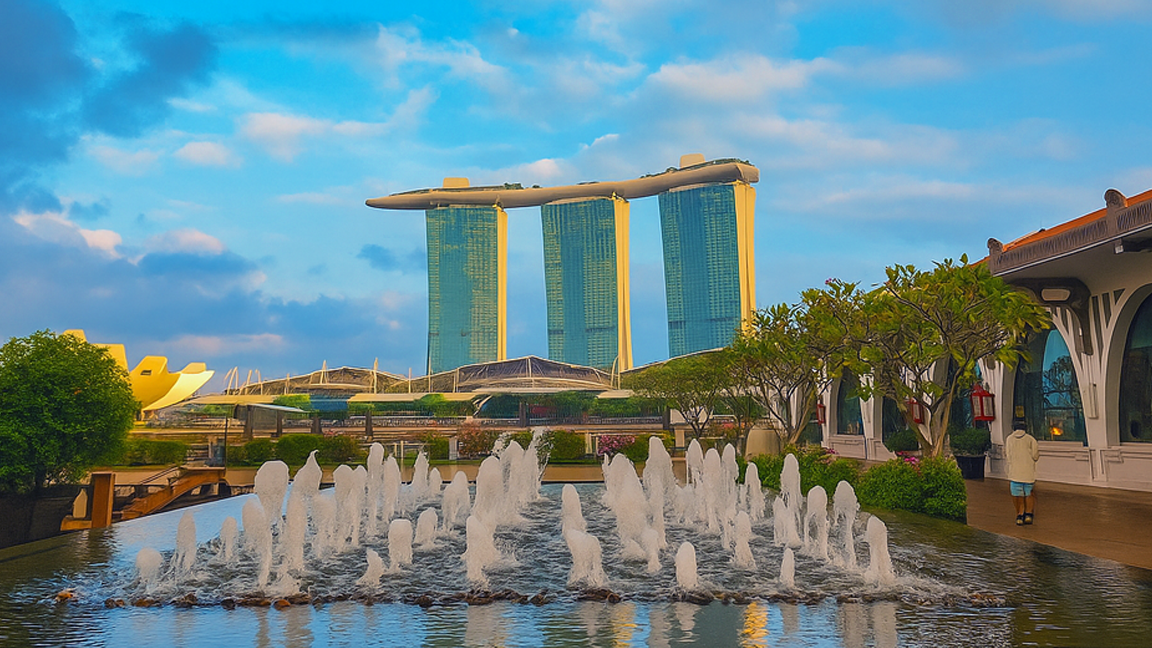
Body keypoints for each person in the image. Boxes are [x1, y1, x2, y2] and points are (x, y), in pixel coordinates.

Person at [1004, 421, 1040, 525]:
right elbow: (1035, 456)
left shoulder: (1009, 439)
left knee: (1017, 495)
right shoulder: (1031, 439)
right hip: (1028, 473)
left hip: (1014, 473)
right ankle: (1029, 514)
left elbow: (1008, 456)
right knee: (1029, 494)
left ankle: (1019, 514)